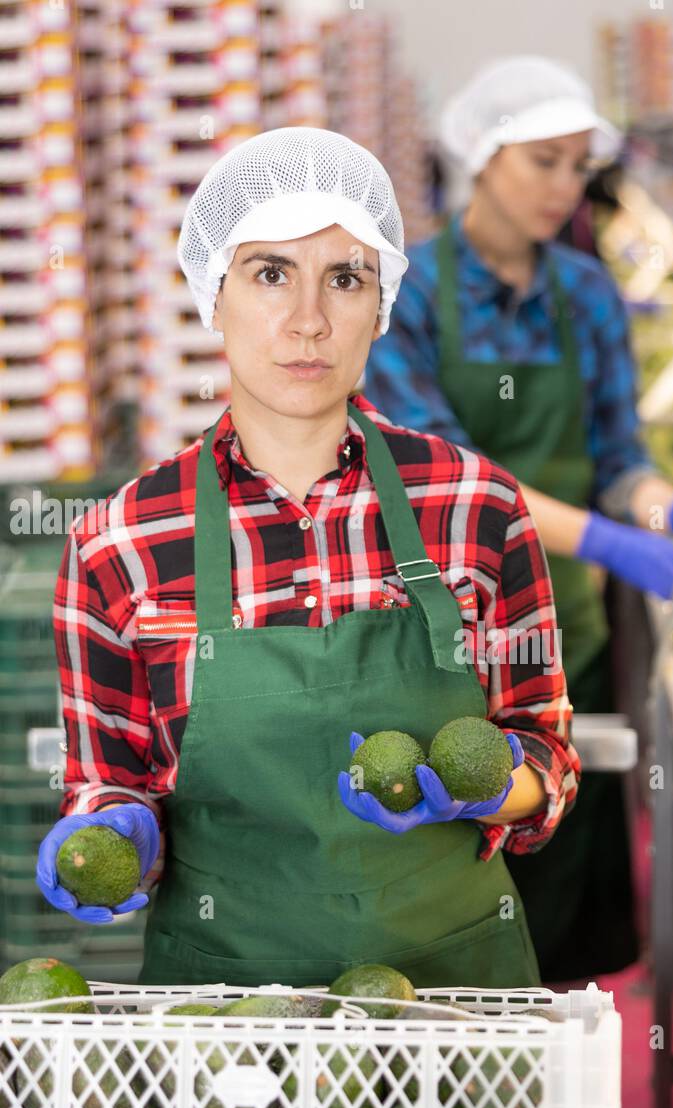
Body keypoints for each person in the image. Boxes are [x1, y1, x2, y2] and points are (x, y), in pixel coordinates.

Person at [35, 127, 580, 990]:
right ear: (214, 296)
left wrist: (490, 787)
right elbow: (111, 780)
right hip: (227, 1032)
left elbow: (546, 755)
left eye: (345, 278)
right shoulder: (118, 545)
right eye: (270, 274)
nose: (307, 322)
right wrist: (115, 832)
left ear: (383, 304)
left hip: (458, 1008)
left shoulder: (478, 508)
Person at [365, 56, 673, 982]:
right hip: (434, 642)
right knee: (444, 899)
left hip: (554, 635)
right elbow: (448, 486)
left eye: (578, 166)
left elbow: (619, 461)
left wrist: (668, 512)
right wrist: (607, 541)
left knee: (560, 898)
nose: (563, 186)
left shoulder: (585, 294)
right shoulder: (406, 297)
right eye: (541, 160)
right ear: (481, 157)